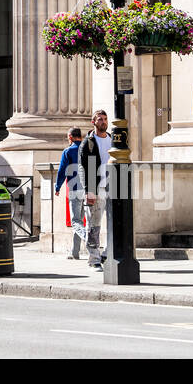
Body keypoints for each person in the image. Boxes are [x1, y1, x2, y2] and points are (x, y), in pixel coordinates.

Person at [77, 110, 112, 271]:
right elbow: (83, 168)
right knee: (94, 225)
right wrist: (88, 190)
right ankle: (94, 259)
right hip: (96, 189)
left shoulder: (112, 139)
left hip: (113, 187)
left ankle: (106, 253)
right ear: (93, 122)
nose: (103, 122)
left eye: (105, 119)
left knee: (116, 223)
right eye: (100, 119)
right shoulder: (88, 142)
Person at [54, 127, 86, 260]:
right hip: (89, 189)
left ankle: (89, 240)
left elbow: (62, 171)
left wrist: (57, 186)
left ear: (70, 137)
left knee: (76, 222)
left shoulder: (68, 151)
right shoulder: (88, 148)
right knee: (82, 221)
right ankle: (75, 252)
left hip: (75, 189)